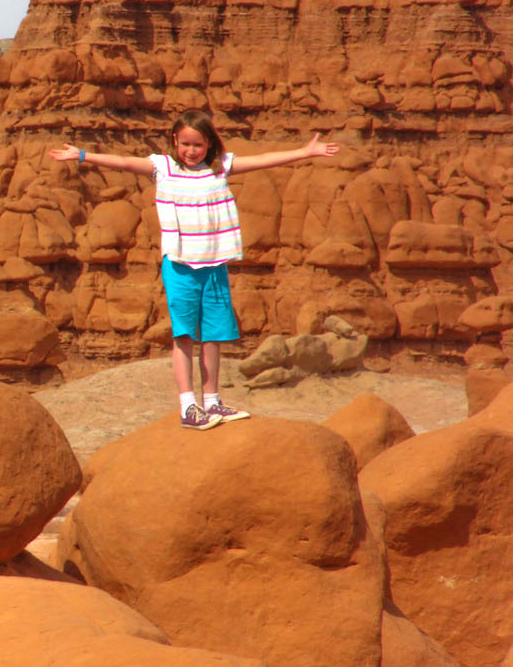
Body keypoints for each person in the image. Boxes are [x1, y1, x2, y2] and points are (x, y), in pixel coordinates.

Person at [48, 109, 339, 430]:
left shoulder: (219, 167)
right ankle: (188, 406)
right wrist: (83, 155)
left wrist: (305, 152)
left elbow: (263, 160)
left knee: (214, 336)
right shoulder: (164, 167)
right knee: (184, 336)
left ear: (209, 144)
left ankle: (212, 402)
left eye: (198, 144)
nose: (191, 150)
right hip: (180, 266)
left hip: (214, 266)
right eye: (185, 143)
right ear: (175, 141)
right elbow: (125, 162)